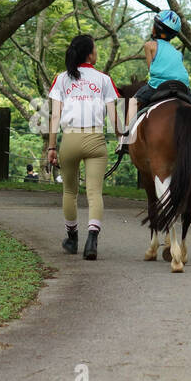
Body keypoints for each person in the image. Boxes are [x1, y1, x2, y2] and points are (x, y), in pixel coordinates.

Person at [45, 34, 119, 260]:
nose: (97, 52)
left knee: (69, 191)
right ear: (89, 54)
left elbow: (55, 115)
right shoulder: (104, 79)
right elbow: (114, 117)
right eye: (95, 49)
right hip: (96, 139)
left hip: (70, 140)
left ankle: (72, 238)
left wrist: (51, 147)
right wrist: (121, 138)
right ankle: (92, 240)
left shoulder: (62, 79)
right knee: (94, 192)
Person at [120, 9, 191, 145]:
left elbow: (151, 69)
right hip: (182, 86)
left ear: (156, 28)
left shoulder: (149, 46)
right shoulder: (177, 53)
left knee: (133, 102)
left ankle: (125, 138)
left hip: (159, 84)